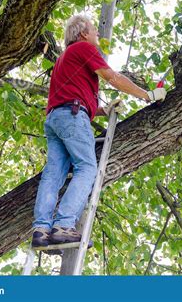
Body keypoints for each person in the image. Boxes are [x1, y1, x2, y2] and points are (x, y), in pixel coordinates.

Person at [31, 14, 166, 248]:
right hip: (72, 116)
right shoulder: (84, 48)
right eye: (94, 30)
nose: (97, 34)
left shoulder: (63, 59)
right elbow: (112, 77)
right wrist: (147, 95)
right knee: (86, 167)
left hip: (56, 118)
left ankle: (41, 229)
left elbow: (72, 99)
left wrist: (103, 109)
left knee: (53, 175)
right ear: (83, 33)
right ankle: (63, 225)